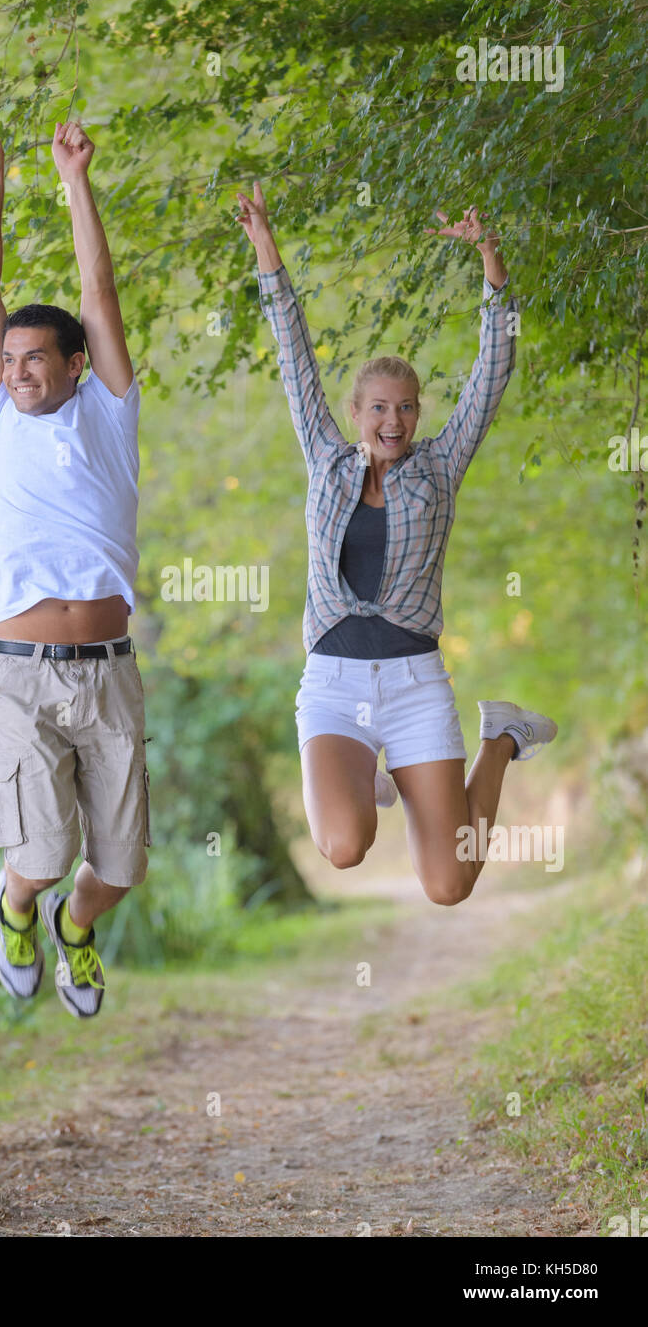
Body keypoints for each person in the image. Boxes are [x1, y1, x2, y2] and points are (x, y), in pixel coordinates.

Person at [236, 182, 557, 905]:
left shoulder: (438, 468)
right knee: (345, 846)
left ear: (418, 415)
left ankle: (501, 740)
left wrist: (490, 258)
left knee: (451, 883)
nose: (394, 420)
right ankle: (364, 779)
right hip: (334, 687)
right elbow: (293, 358)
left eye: (406, 408)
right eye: (379, 407)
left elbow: (492, 373)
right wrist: (265, 246)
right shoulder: (325, 458)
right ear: (355, 413)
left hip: (415, 687)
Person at [0, 117, 151, 1012]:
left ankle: (77, 928)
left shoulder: (107, 418)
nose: (19, 369)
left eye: (37, 357)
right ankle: (16, 906)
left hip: (110, 673)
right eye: (10, 360)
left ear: (75, 364)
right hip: (23, 677)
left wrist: (75, 179)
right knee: (34, 854)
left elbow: (100, 292)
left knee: (121, 866)